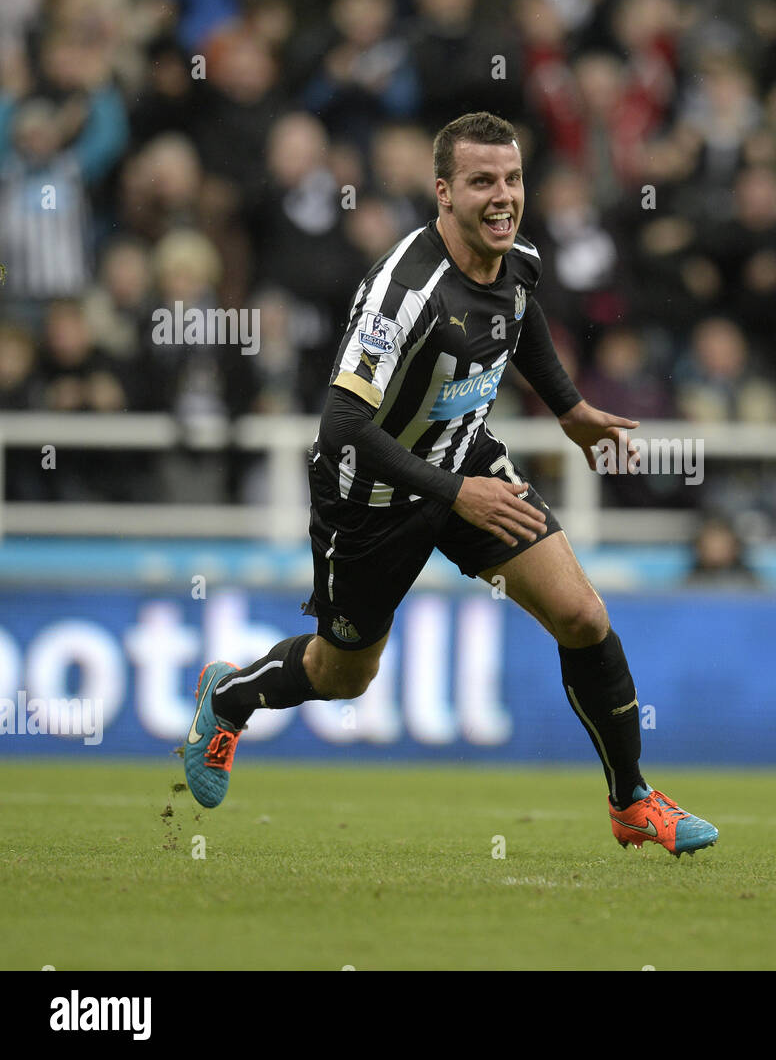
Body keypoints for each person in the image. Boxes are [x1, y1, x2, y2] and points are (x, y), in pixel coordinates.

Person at [185, 111, 718, 857]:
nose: (503, 197)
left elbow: (521, 316)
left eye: (512, 179)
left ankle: (632, 800)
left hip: (467, 462)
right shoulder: (403, 292)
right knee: (343, 674)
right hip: (368, 497)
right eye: (481, 182)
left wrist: (568, 409)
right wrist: (453, 492)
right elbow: (341, 427)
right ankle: (230, 695)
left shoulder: (517, 257)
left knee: (583, 616)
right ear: (442, 193)